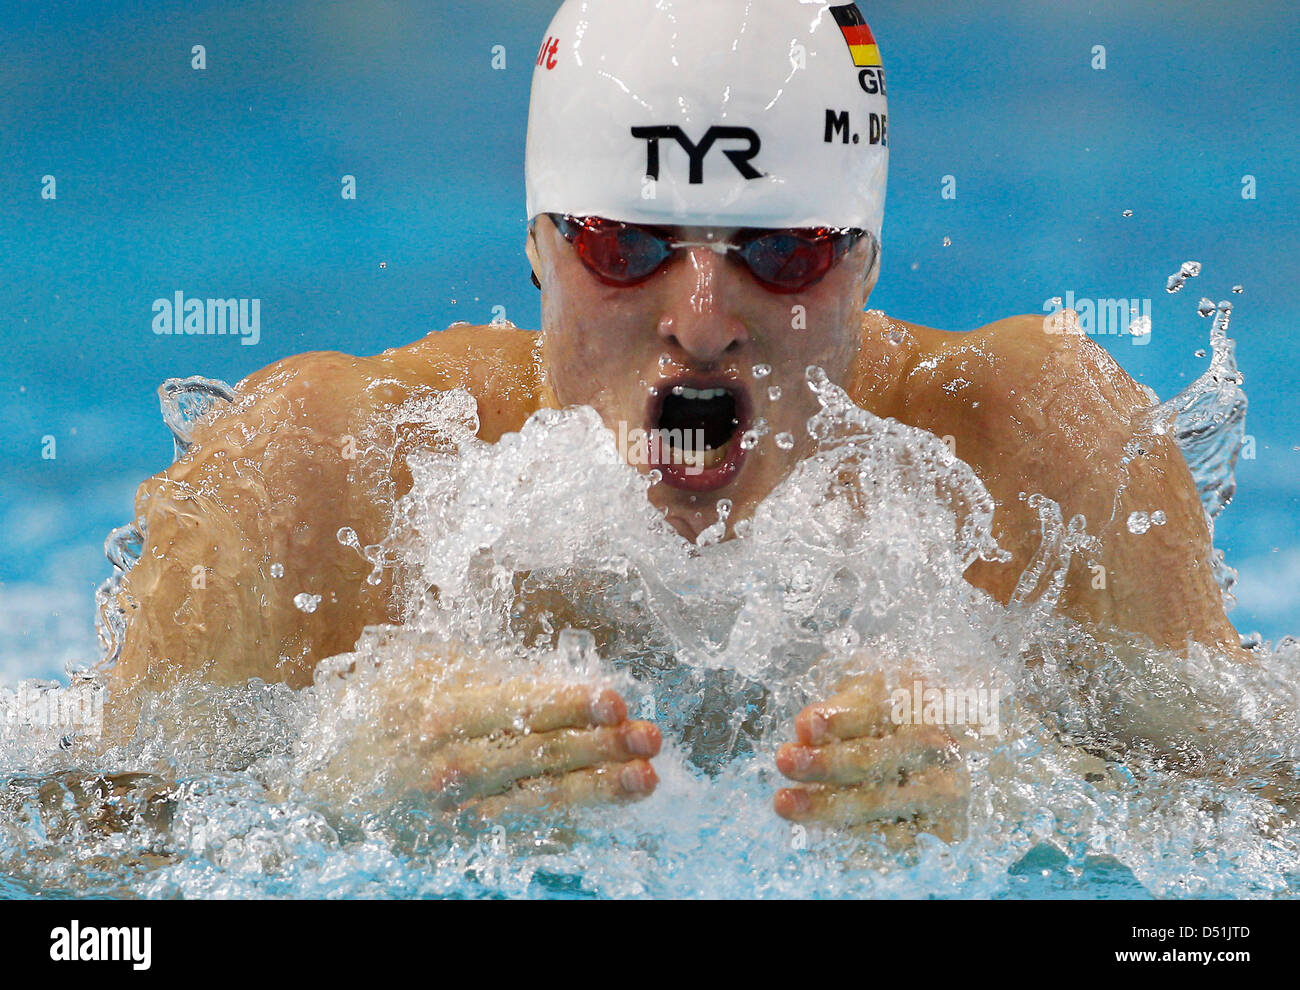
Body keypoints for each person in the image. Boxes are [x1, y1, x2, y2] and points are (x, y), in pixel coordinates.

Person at [105, 0, 1243, 833]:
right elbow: (75, 882)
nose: (701, 321)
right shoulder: (321, 466)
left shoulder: (1042, 445)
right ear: (541, 251)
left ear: (861, 270)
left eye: (780, 254)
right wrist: (325, 791)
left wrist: (1046, 789)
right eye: (626, 246)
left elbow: (1254, 841)